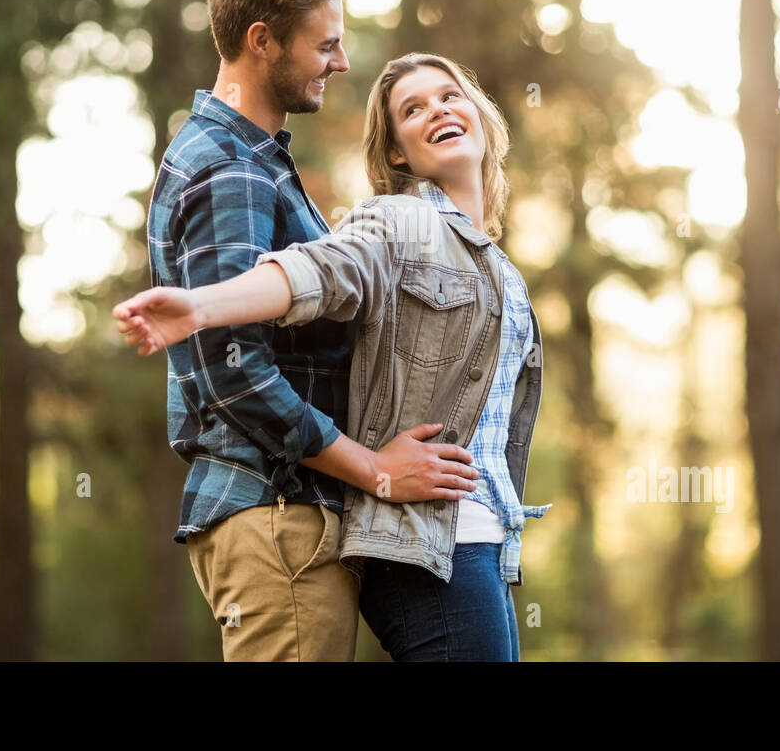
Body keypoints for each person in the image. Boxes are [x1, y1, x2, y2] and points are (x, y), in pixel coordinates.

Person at [117, 51, 550, 661]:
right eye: (413, 109)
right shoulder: (397, 220)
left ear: (479, 114)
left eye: (449, 96)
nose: (438, 111)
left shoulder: (500, 268)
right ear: (397, 153)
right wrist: (205, 305)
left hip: (484, 543)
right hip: (429, 544)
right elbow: (317, 270)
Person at [139, 0, 480, 663]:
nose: (341, 61)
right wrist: (376, 469)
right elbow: (234, 373)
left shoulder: (255, 160)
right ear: (262, 42)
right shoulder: (232, 169)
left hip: (286, 517)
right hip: (275, 516)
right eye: (324, 45)